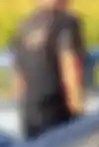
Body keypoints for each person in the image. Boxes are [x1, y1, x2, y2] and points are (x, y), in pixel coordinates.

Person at [10, 0, 88, 139]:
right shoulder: (66, 23)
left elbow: (19, 79)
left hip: (30, 115)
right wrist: (78, 112)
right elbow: (69, 67)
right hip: (58, 113)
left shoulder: (24, 26)